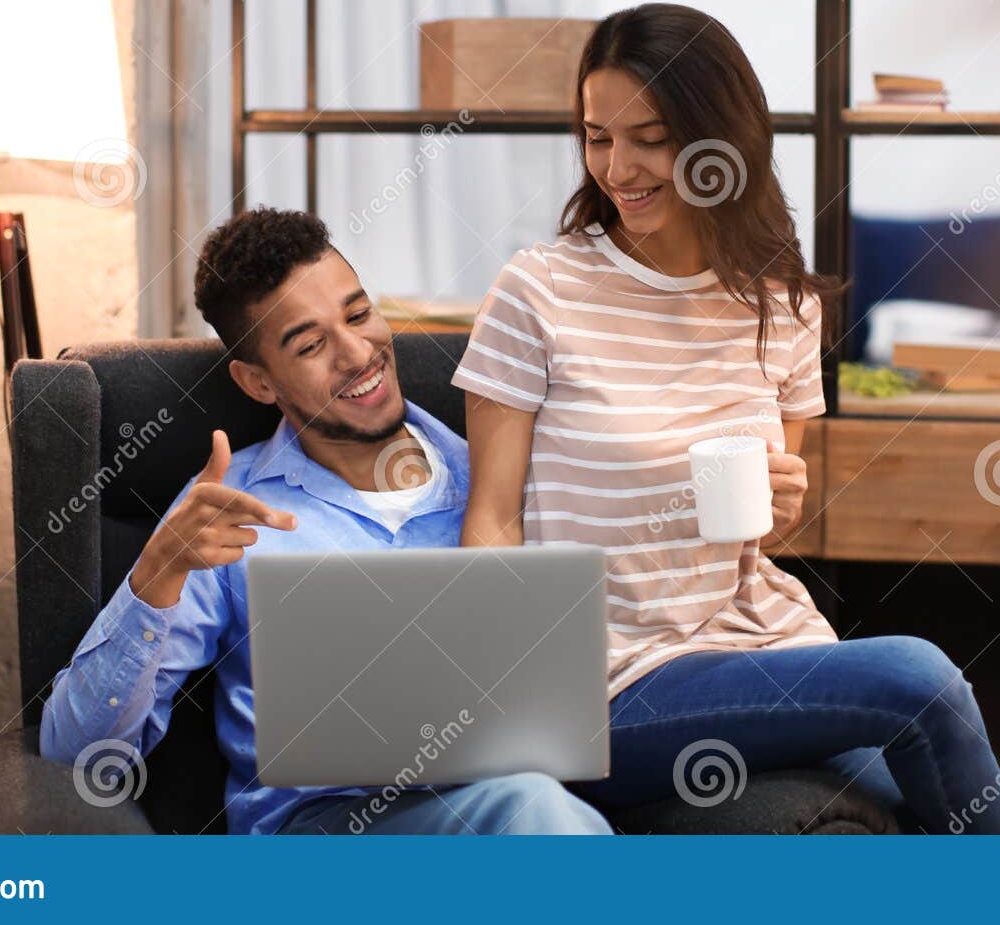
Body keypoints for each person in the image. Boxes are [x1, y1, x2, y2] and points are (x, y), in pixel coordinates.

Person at [453, 2, 1000, 833]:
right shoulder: (538, 292)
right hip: (606, 682)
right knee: (920, 678)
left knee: (924, 812)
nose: (618, 167)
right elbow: (492, 522)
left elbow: (750, 537)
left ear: (720, 136)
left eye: (649, 137)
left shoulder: (784, 307)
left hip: (763, 646)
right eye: (598, 135)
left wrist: (780, 509)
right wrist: (509, 702)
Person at [38, 207, 611, 836]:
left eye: (360, 315)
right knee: (531, 810)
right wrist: (155, 578)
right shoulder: (225, 511)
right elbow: (77, 760)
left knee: (531, 804)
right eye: (311, 345)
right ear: (258, 382)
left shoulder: (498, 477)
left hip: (507, 809)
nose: (358, 353)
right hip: (322, 829)